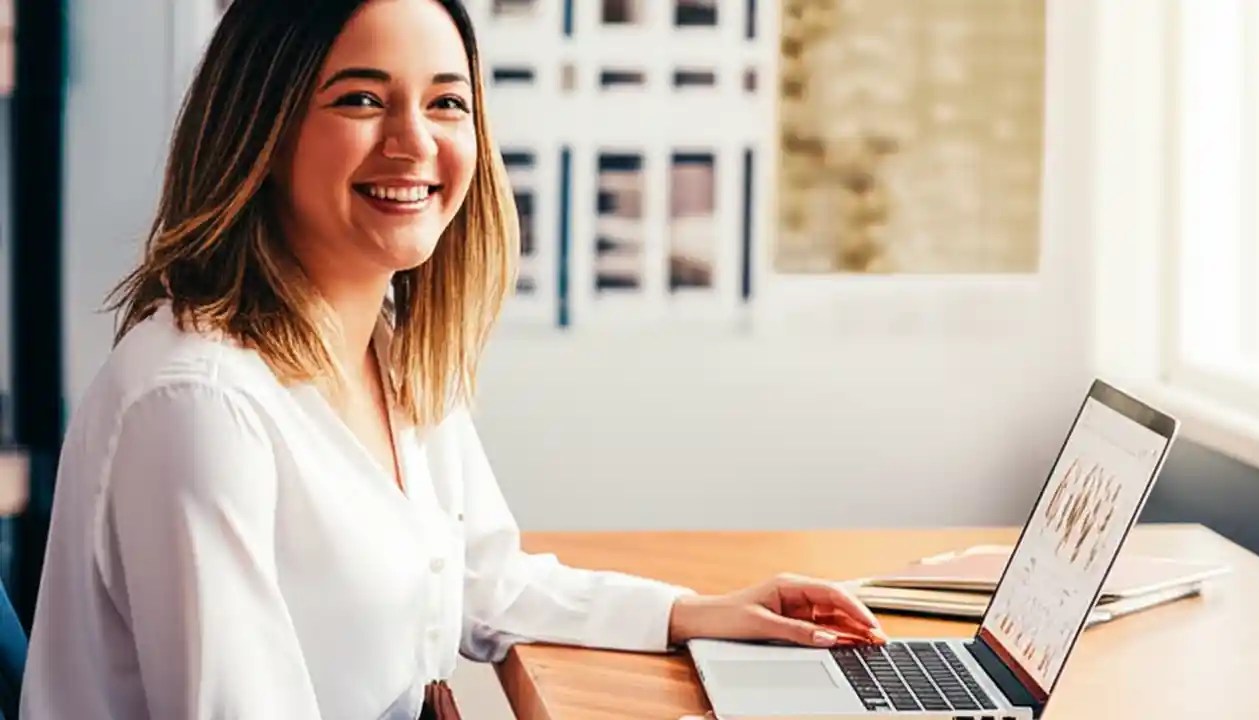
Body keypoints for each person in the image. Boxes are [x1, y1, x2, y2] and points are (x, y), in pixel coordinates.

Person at [19, 1, 886, 718]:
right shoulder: (198, 406)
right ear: (263, 131)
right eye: (361, 101)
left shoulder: (387, 343)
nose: (414, 142)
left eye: (446, 102)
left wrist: (696, 614)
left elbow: (479, 580)